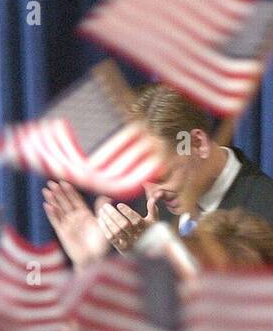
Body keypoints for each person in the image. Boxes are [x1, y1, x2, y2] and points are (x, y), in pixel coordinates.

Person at [43, 84, 273, 263]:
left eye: (161, 176)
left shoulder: (265, 211)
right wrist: (91, 263)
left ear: (197, 143)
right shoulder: (147, 217)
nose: (152, 195)